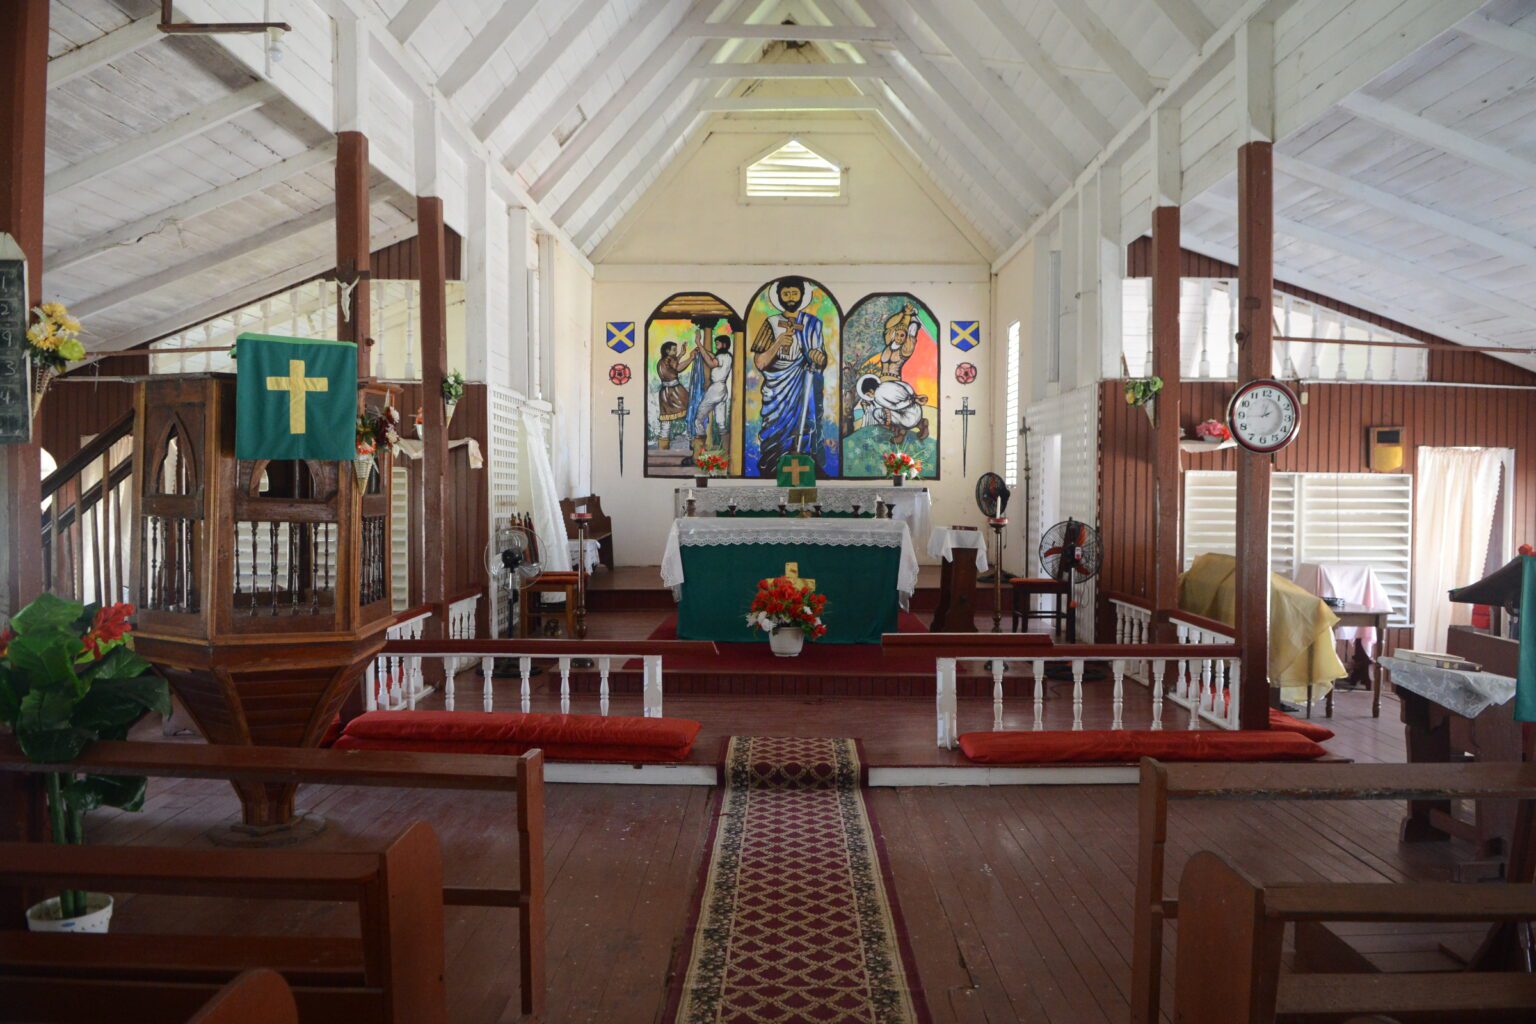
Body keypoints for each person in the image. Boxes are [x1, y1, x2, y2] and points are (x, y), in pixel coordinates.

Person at [750, 279, 827, 474]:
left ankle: (803, 465)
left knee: (804, 424)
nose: (790, 298)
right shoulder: (771, 323)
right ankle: (774, 466)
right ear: (779, 297)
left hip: (802, 384)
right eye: (786, 294)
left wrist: (819, 358)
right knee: (775, 429)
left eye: (794, 293)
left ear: (801, 296)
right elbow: (760, 363)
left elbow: (819, 359)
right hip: (777, 389)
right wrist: (777, 343)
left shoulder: (812, 324)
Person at [854, 304, 929, 443]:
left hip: (894, 382)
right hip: (882, 382)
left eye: (903, 335)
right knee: (883, 410)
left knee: (893, 409)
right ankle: (903, 431)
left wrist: (909, 318)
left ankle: (909, 429)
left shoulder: (903, 351)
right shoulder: (888, 345)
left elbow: (911, 334)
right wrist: (903, 314)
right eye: (897, 334)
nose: (900, 337)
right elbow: (888, 326)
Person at [654, 337, 698, 459]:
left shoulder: (663, 361)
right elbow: (677, 368)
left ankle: (662, 451)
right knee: (689, 416)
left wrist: (681, 354)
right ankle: (694, 443)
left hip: (665, 393)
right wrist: (690, 358)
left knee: (666, 422)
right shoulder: (670, 360)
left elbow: (673, 366)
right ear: (668, 351)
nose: (675, 352)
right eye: (674, 350)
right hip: (676, 391)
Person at [691, 332, 734, 458]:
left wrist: (699, 343)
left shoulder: (720, 357)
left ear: (724, 344)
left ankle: (699, 452)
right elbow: (713, 356)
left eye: (718, 344)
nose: (716, 346)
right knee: (721, 423)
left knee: (698, 419)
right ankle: (726, 453)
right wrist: (704, 349)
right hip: (723, 389)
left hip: (715, 389)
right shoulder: (728, 356)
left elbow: (711, 363)